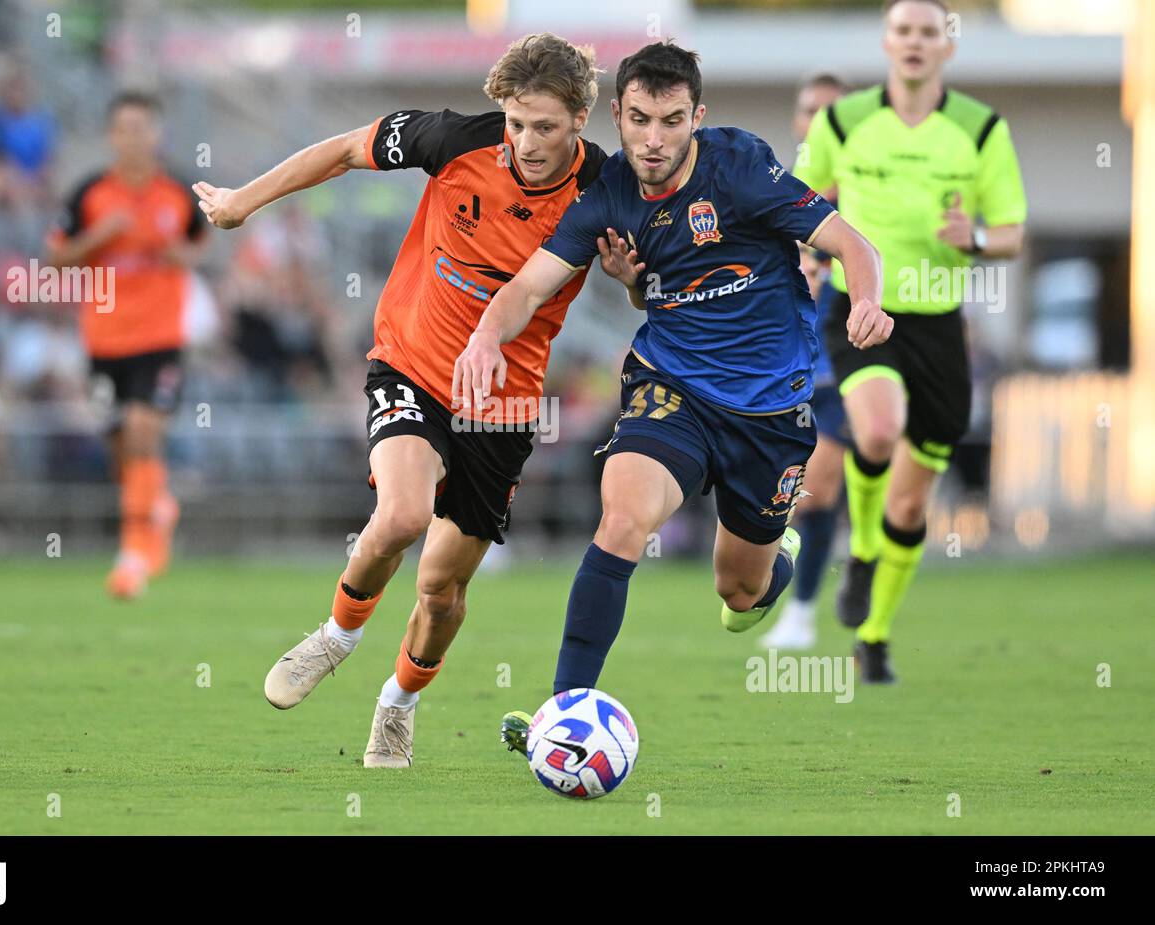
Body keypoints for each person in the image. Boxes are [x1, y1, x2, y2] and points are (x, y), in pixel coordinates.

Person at [448, 42, 887, 754]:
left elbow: (853, 244)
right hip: (671, 386)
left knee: (739, 594)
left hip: (771, 410)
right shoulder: (609, 197)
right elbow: (527, 286)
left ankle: (776, 561)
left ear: (697, 118)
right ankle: (562, 714)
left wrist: (868, 299)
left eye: (673, 121)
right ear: (616, 115)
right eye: (641, 120)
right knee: (622, 517)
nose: (654, 140)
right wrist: (484, 339)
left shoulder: (742, 167)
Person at [193, 34, 610, 767]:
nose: (527, 141)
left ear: (580, 117)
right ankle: (335, 636)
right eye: (516, 123)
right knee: (403, 512)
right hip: (411, 364)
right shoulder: (453, 139)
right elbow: (345, 149)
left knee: (442, 592)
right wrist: (241, 202)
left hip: (504, 402)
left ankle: (398, 704)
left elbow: (640, 282)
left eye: (545, 126)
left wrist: (633, 276)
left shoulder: (603, 189)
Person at [795, 0, 1026, 681]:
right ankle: (860, 550)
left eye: (930, 32)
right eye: (904, 31)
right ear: (887, 43)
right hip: (864, 308)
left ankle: (874, 634)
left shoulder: (981, 130)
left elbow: (1013, 231)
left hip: (939, 324)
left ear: (946, 47)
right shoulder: (843, 120)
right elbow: (802, 204)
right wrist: (809, 260)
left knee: (911, 502)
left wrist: (975, 238)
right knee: (875, 430)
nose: (916, 42)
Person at [47, 91, 205, 600]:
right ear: (112, 135)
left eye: (142, 128)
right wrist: (100, 238)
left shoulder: (178, 192)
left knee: (142, 430)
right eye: (124, 128)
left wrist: (171, 250)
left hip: (159, 339)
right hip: (104, 341)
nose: (134, 137)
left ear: (155, 134)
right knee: (120, 448)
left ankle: (134, 554)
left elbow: (199, 249)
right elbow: (55, 262)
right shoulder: (90, 194)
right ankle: (157, 506)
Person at [759, 72, 849, 651]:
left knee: (823, 482)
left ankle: (804, 611)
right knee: (780, 495)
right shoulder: (773, 191)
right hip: (778, 367)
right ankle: (777, 578)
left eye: (832, 113)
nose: (818, 120)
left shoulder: (867, 199)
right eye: (810, 110)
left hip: (844, 370)